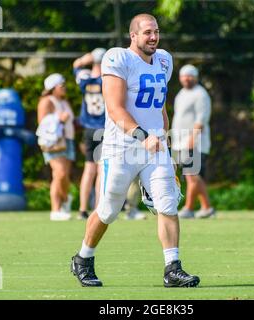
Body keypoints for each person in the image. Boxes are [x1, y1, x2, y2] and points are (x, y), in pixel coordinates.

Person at [70, 13, 200, 288]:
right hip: (122, 147)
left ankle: (172, 268)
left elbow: (160, 106)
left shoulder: (164, 60)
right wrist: (142, 136)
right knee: (108, 210)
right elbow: (115, 108)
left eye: (156, 31)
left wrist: (163, 140)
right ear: (133, 35)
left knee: (167, 203)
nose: (153, 37)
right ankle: (83, 257)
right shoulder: (118, 58)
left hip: (153, 147)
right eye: (147, 33)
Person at [171, 64, 215, 219]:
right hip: (180, 141)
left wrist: (192, 139)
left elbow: (201, 120)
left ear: (196, 77)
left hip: (195, 142)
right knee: (192, 175)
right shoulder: (181, 94)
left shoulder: (200, 94)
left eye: (190, 75)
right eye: (184, 75)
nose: (186, 78)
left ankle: (188, 208)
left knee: (191, 174)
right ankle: (207, 208)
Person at [72, 48, 107, 220]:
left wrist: (85, 58)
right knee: (101, 171)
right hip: (103, 128)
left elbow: (76, 65)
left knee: (88, 170)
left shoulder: (85, 80)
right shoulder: (107, 81)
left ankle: (82, 209)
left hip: (88, 129)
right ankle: (98, 208)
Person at [37, 73, 76, 221]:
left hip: (68, 141)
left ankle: (64, 200)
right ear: (53, 88)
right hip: (54, 142)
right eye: (62, 85)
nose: (64, 88)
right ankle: (56, 209)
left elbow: (71, 122)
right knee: (59, 174)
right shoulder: (46, 101)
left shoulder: (65, 102)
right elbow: (42, 124)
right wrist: (58, 119)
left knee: (63, 176)